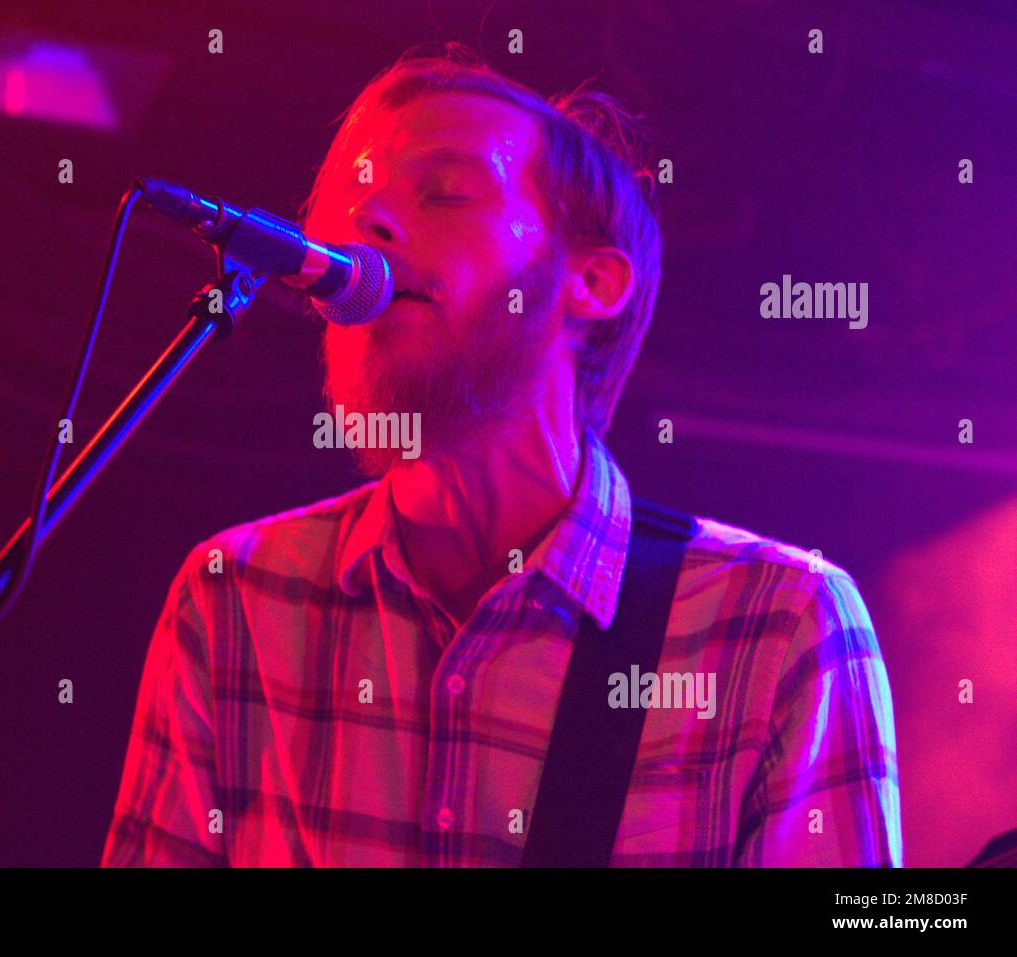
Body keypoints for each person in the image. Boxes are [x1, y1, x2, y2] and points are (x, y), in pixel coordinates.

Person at [101, 42, 902, 867]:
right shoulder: (235, 598)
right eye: (353, 199)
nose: (366, 223)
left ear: (589, 284)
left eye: (446, 190)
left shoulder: (775, 626)